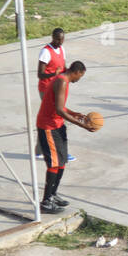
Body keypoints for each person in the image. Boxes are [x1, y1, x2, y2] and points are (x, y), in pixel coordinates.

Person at [36, 61, 93, 213]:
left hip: (58, 125)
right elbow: (60, 110)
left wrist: (74, 113)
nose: (79, 79)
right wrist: (82, 125)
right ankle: (46, 202)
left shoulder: (63, 79)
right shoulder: (61, 82)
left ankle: (53, 195)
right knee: (54, 163)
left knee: (61, 162)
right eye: (80, 76)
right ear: (76, 72)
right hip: (48, 126)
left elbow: (59, 105)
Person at [34, 28, 74, 162]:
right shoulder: (46, 51)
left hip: (57, 88)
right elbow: (40, 74)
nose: (60, 42)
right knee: (56, 118)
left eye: (62, 39)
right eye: (58, 39)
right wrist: (54, 74)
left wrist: (71, 74)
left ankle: (39, 150)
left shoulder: (62, 49)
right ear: (53, 37)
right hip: (46, 89)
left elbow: (63, 68)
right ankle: (60, 151)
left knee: (49, 119)